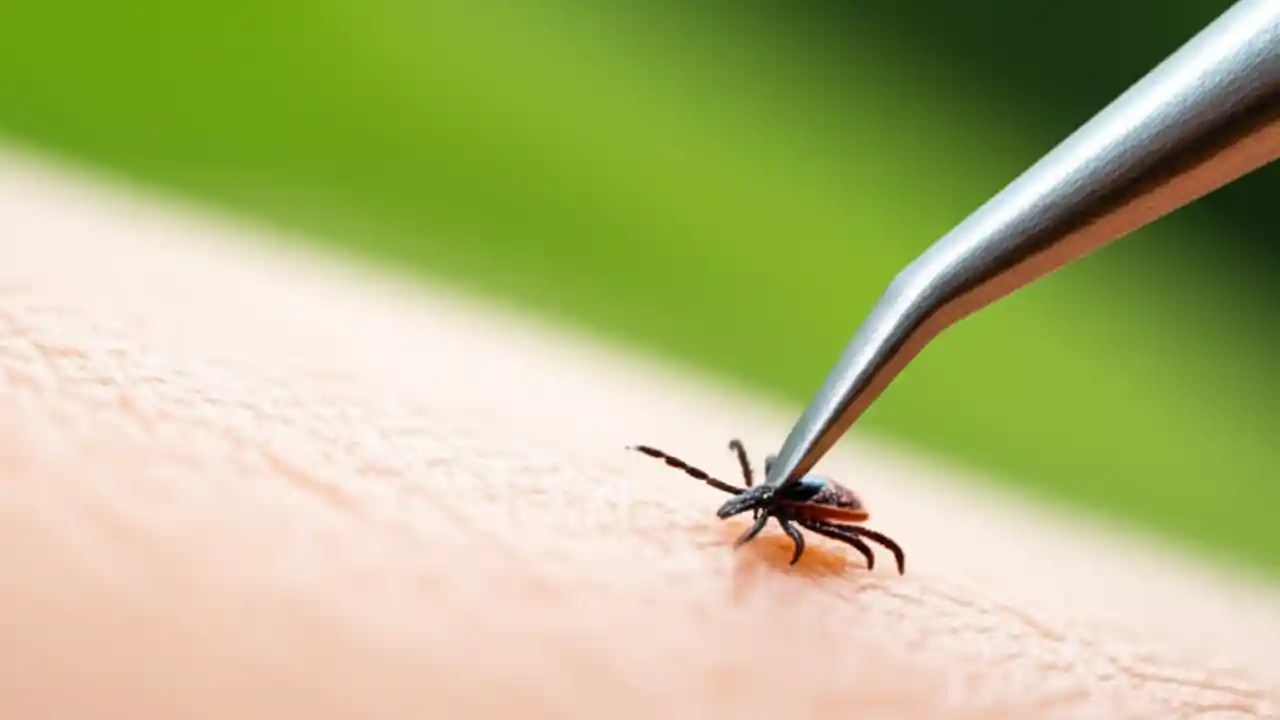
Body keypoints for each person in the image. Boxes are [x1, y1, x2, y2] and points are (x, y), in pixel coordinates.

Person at [3, 150, 1278, 718]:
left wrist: (782, 525)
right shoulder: (791, 504)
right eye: (771, 508)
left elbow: (801, 525)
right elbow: (783, 514)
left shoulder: (796, 516)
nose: (758, 516)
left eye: (769, 511)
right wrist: (770, 514)